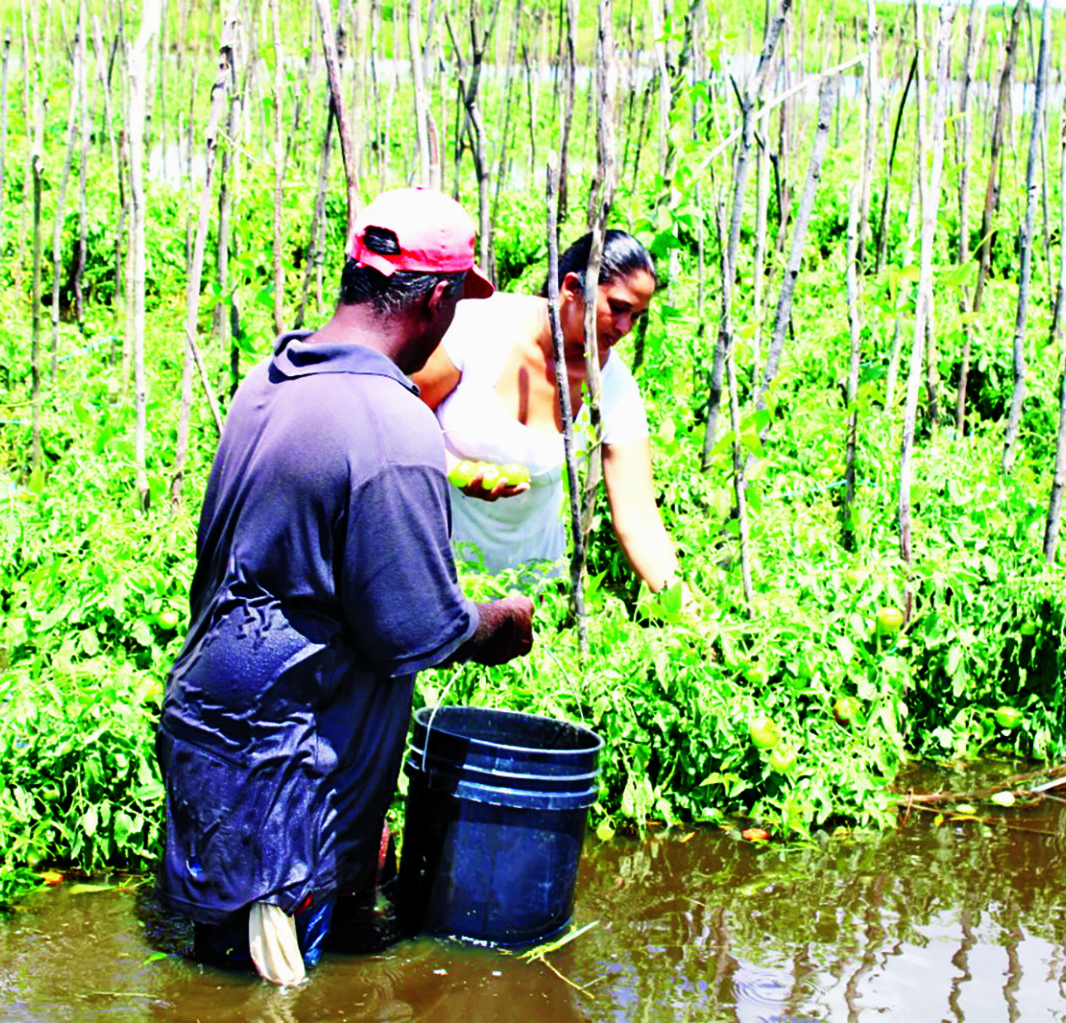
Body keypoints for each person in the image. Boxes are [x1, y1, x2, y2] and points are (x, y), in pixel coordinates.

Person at [158, 187, 536, 987]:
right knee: (274, 994)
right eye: (455, 304)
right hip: (287, 787)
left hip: (215, 744)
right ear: (434, 301)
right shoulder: (391, 422)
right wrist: (501, 622)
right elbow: (418, 629)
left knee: (216, 976)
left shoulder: (270, 378)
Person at [412, 230, 682, 593]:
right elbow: (397, 417)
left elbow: (639, 522)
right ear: (571, 288)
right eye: (617, 308)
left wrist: (690, 613)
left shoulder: (614, 388)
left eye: (635, 316)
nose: (624, 328)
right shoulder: (479, 326)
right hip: (434, 570)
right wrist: (453, 469)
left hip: (532, 592)